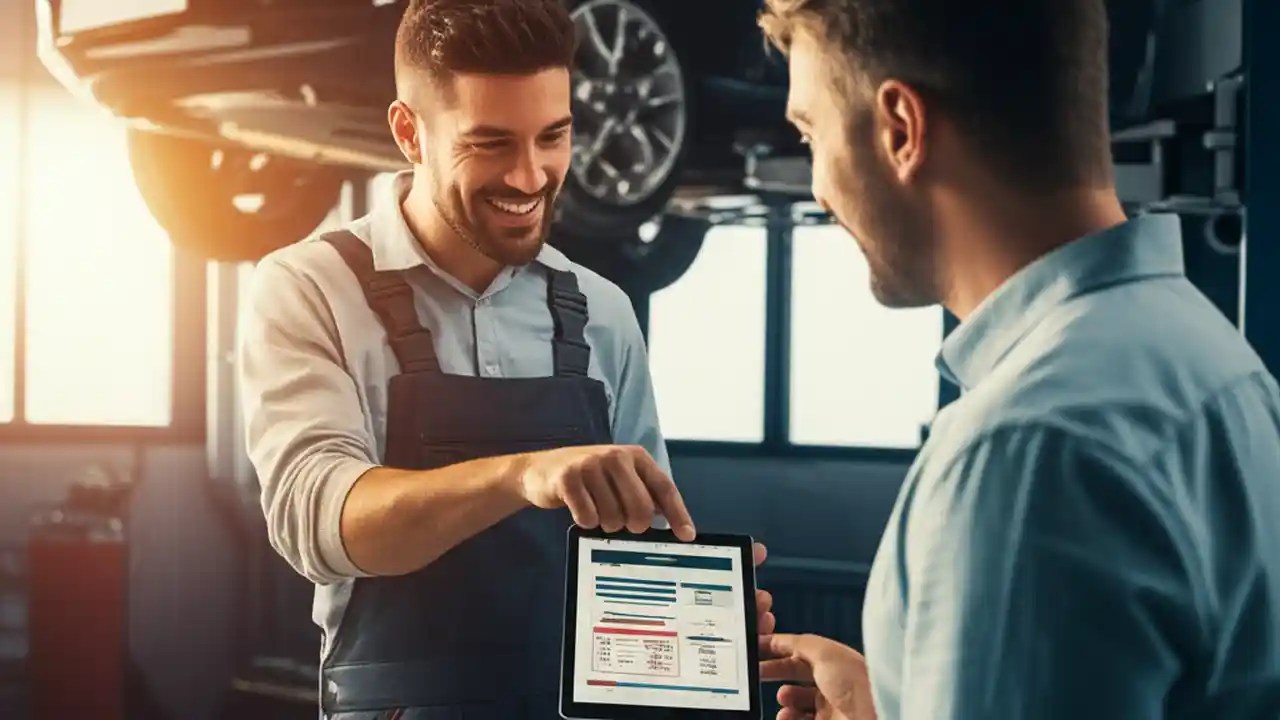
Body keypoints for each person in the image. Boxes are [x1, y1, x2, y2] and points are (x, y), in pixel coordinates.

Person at [750, 1, 1280, 719]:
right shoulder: (1213, 363)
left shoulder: (1026, 450)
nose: (816, 187)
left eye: (811, 133)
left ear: (901, 129)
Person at [237, 1, 703, 717]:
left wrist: (700, 629)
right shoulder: (308, 289)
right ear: (408, 134)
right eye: (489, 144)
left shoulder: (603, 312)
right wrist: (522, 474)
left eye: (554, 137)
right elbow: (318, 521)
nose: (529, 177)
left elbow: (642, 554)